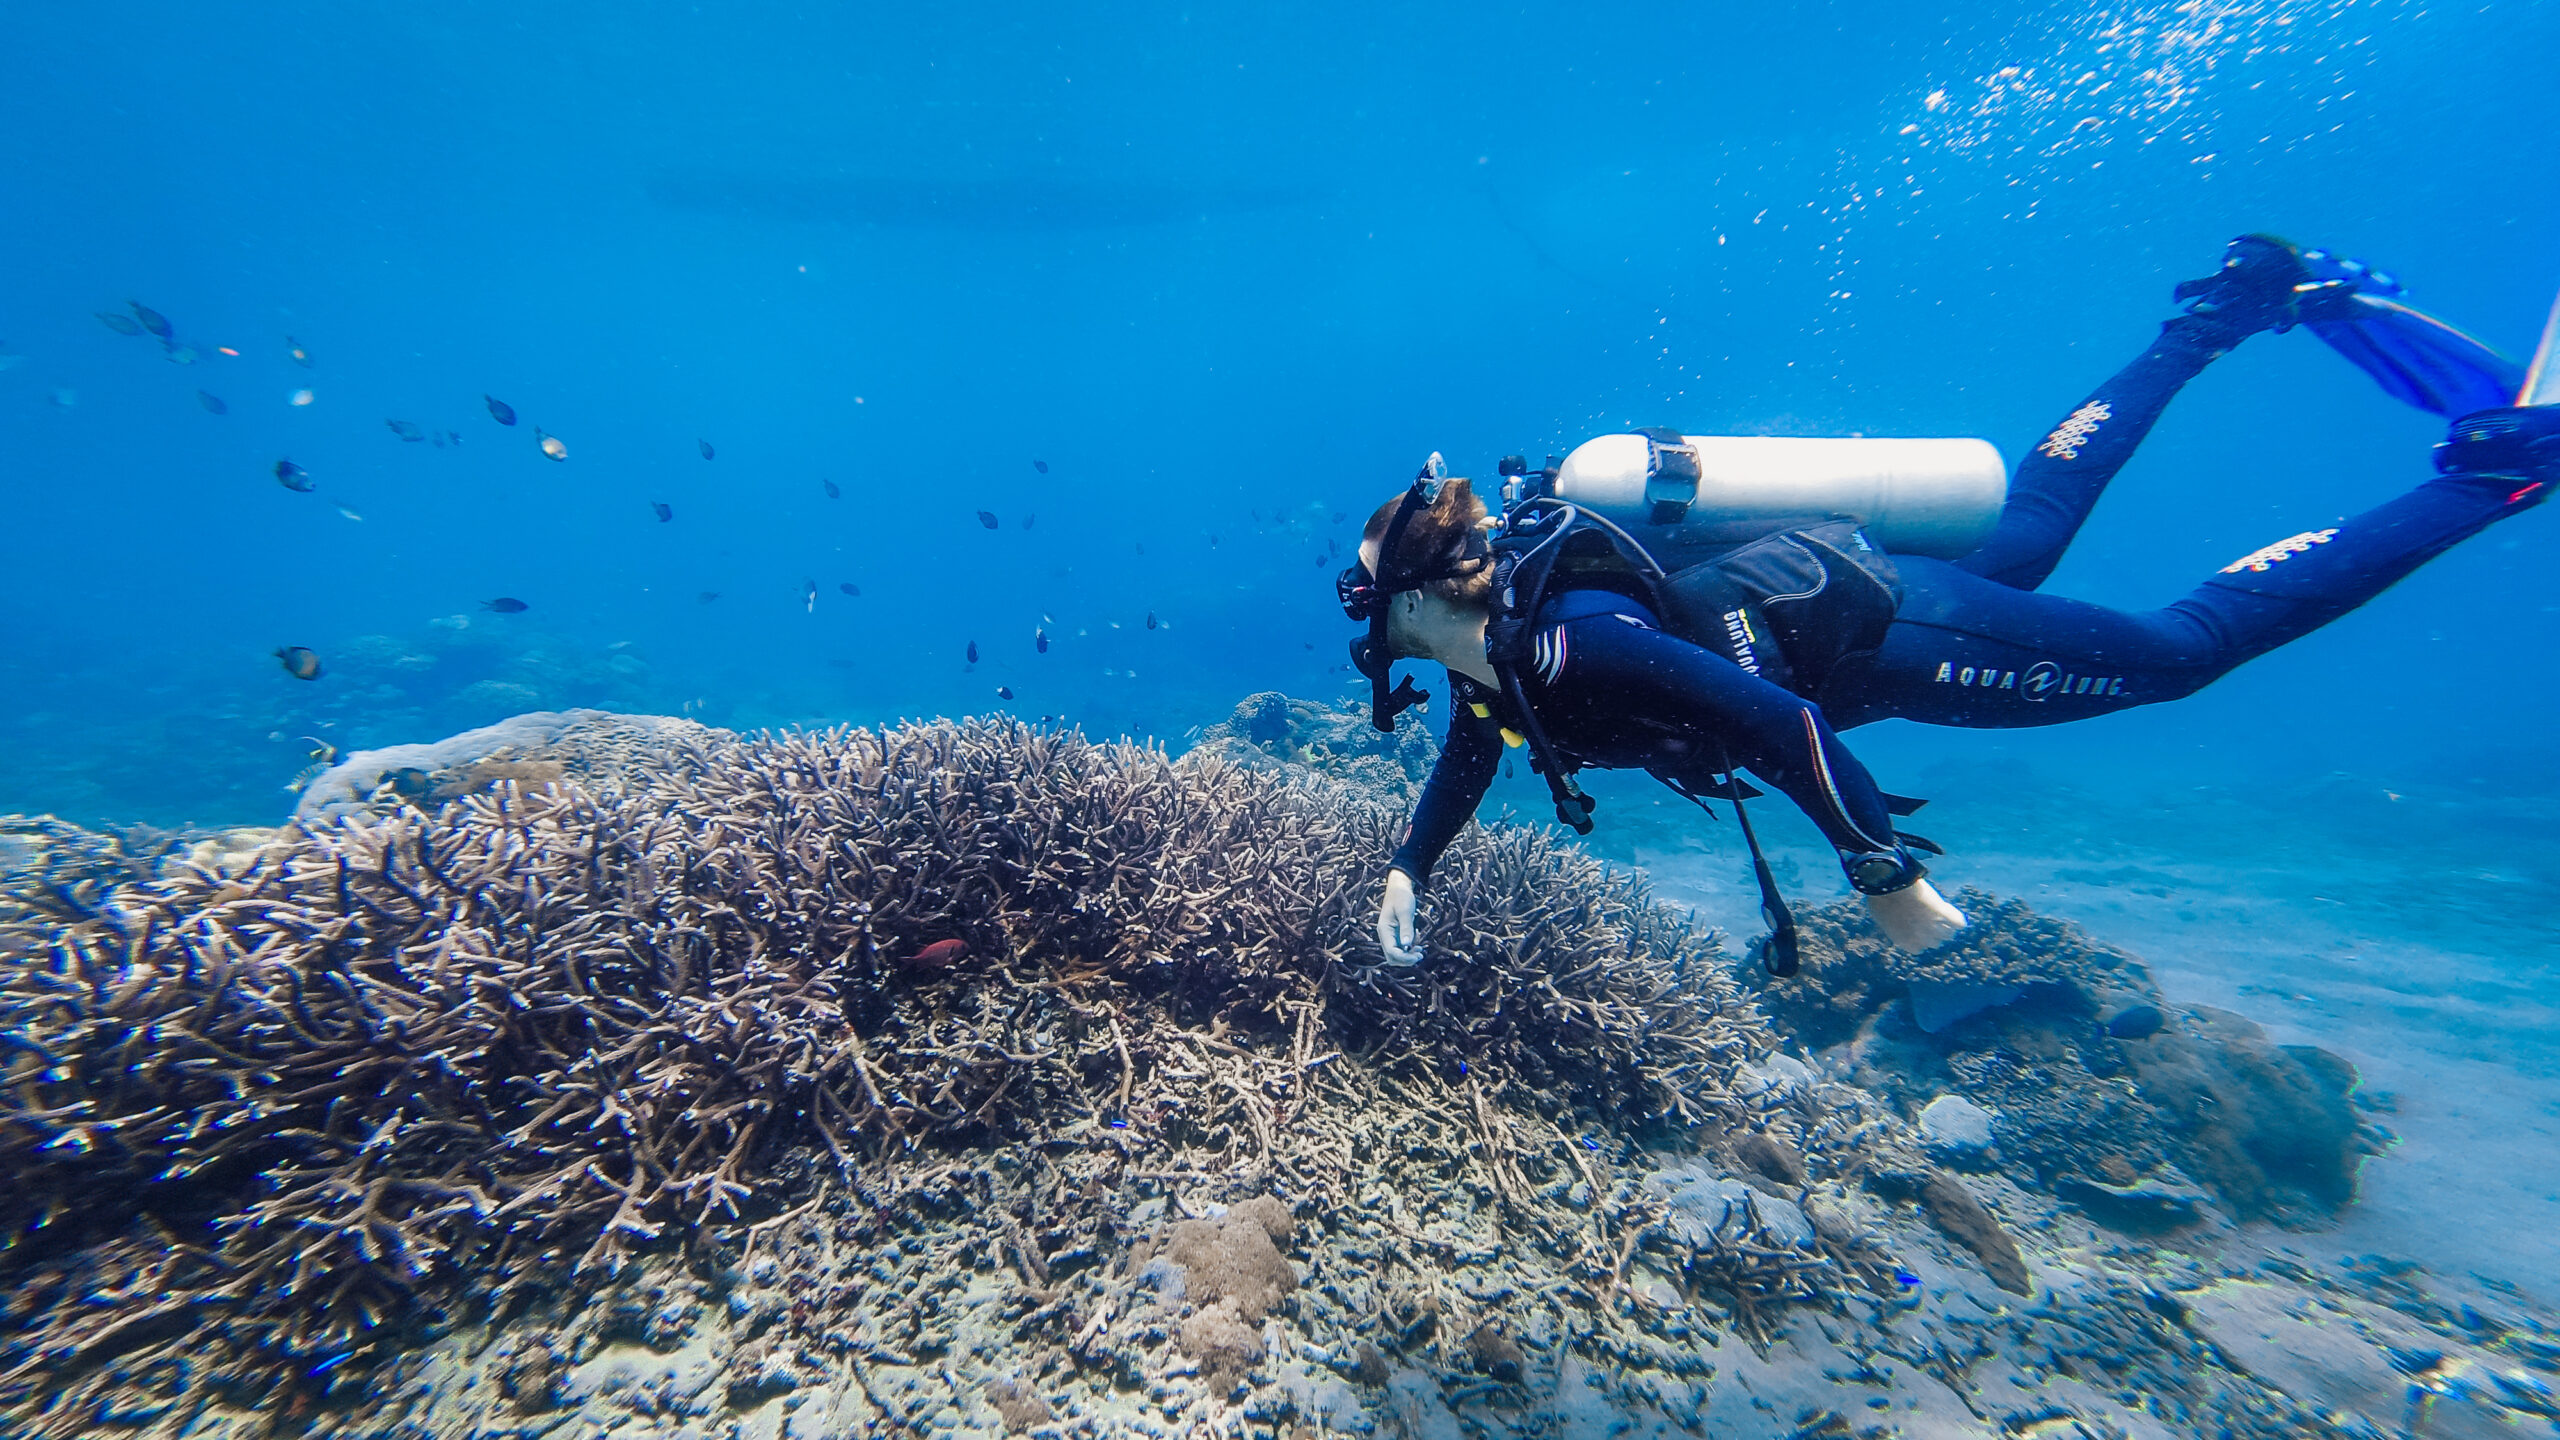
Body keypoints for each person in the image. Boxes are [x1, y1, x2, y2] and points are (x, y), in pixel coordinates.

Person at [1343, 235, 2560, 967]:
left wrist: (1884, 878)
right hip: (1863, 597)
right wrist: (1411, 868)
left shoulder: (1574, 645)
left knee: (2185, 650)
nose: (1362, 634)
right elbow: (1471, 751)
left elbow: (1784, 730)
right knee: (2025, 527)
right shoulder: (1493, 659)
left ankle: (2491, 476)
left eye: (1368, 609)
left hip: (1907, 639)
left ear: (1415, 600)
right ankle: (2215, 319)